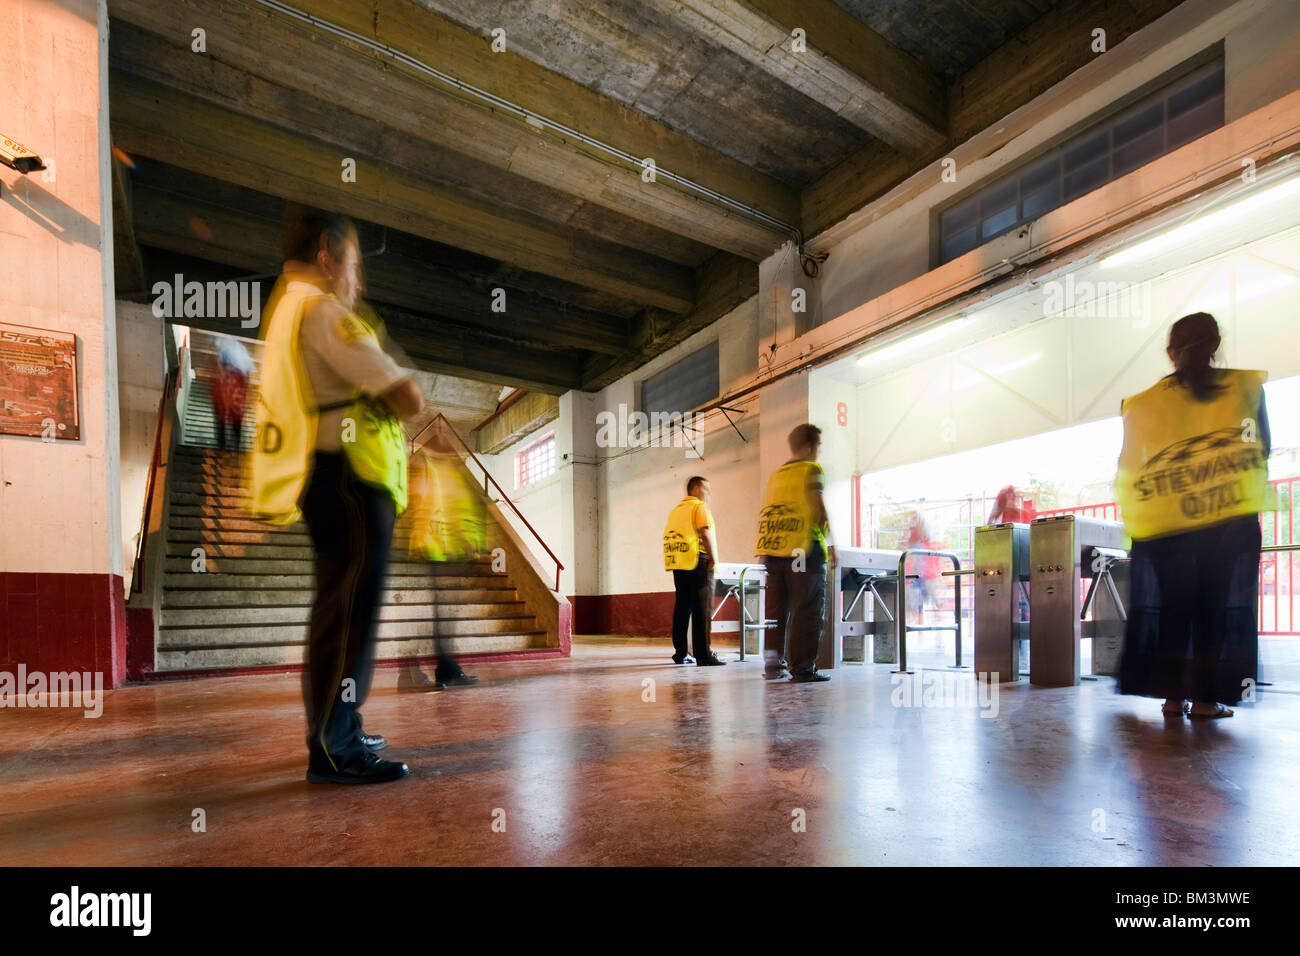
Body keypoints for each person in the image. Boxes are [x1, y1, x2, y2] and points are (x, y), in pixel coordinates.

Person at [249, 203, 424, 783]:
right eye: (355, 265)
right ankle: (335, 748)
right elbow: (407, 395)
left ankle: (342, 724)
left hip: (330, 476)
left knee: (341, 610)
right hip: (349, 478)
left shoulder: (288, 309)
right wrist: (393, 382)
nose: (358, 282)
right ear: (327, 255)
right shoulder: (323, 311)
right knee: (348, 615)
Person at [1115, 312, 1270, 720]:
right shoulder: (1244, 389)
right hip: (1226, 522)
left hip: (1166, 527)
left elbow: (1132, 465)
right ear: (1216, 346)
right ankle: (1204, 701)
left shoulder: (1146, 403)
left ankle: (1171, 697)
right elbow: (1260, 447)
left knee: (1174, 609)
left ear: (1170, 353)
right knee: (1213, 610)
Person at [398, 431, 485, 692]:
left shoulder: (451, 471)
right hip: (436, 547)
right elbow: (418, 502)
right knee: (440, 615)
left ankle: (446, 669)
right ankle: (412, 670)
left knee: (446, 616)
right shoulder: (425, 464)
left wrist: (471, 542)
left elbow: (460, 510)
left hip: (453, 550)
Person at [755, 424, 836, 683]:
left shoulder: (776, 476)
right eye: (818, 446)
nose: (819, 451)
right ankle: (802, 668)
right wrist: (831, 543)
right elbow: (818, 509)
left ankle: (773, 666)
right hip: (802, 552)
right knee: (806, 608)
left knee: (775, 613)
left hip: (772, 551)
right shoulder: (811, 470)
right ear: (810, 446)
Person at [662, 476, 725, 666]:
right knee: (702, 610)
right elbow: (705, 531)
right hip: (699, 561)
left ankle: (681, 653)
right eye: (707, 488)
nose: (709, 493)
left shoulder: (676, 510)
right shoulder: (699, 507)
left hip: (680, 562)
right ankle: (704, 655)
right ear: (696, 488)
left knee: (682, 608)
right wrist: (713, 557)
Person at [210, 337, 251, 452]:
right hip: (229, 403)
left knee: (227, 426)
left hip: (229, 403)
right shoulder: (238, 373)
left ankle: (225, 450)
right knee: (231, 426)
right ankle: (230, 451)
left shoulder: (231, 373)